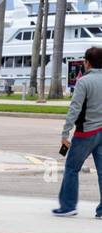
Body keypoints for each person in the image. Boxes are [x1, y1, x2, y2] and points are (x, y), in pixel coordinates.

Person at [54, 45, 102, 217]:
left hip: (86, 132)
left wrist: (65, 133)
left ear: (87, 62)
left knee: (72, 168)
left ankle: (68, 206)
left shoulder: (84, 82)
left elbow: (74, 109)